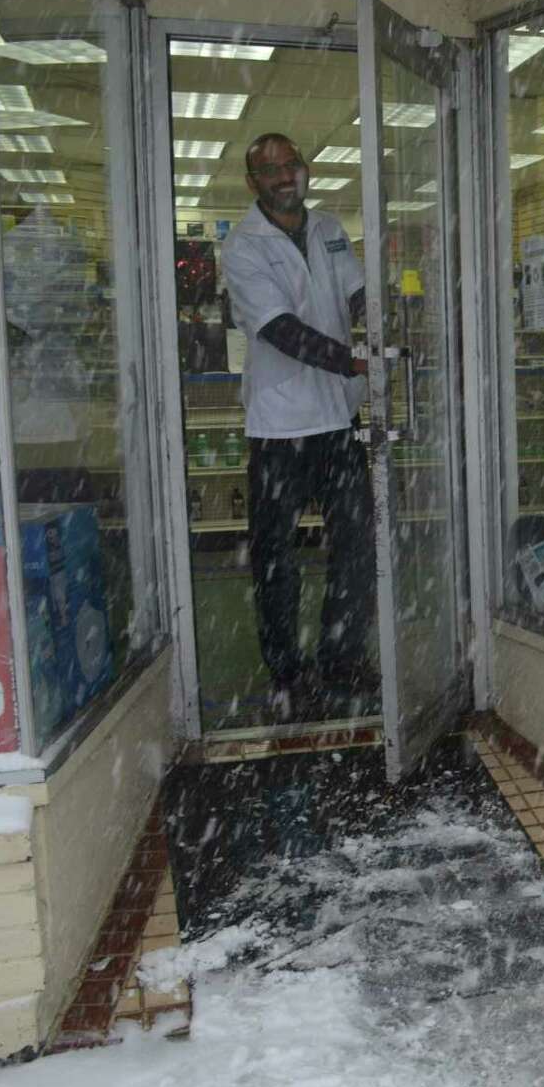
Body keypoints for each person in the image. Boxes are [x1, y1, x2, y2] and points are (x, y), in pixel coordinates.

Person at [219, 133, 378, 721]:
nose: (286, 176)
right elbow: (280, 330)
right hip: (279, 424)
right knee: (276, 557)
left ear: (305, 170)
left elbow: (358, 294)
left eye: (292, 165)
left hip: (338, 416)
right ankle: (288, 673)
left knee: (356, 543)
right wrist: (357, 360)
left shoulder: (330, 227)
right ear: (253, 181)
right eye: (271, 170)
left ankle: (341, 656)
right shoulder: (243, 247)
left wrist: (383, 321)